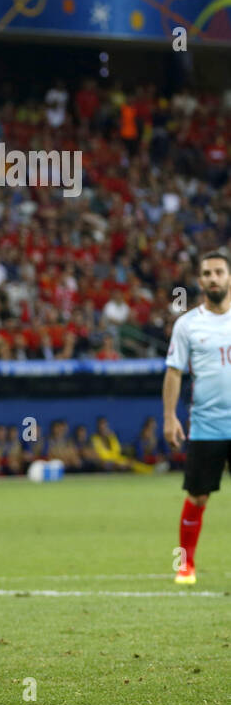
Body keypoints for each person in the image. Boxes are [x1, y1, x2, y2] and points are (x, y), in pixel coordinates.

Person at [163, 250, 231, 585]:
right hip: (207, 426)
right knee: (198, 496)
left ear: (228, 276)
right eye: (207, 274)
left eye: (219, 272)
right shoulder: (187, 325)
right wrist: (169, 417)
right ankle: (185, 564)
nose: (213, 278)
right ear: (200, 280)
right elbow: (174, 372)